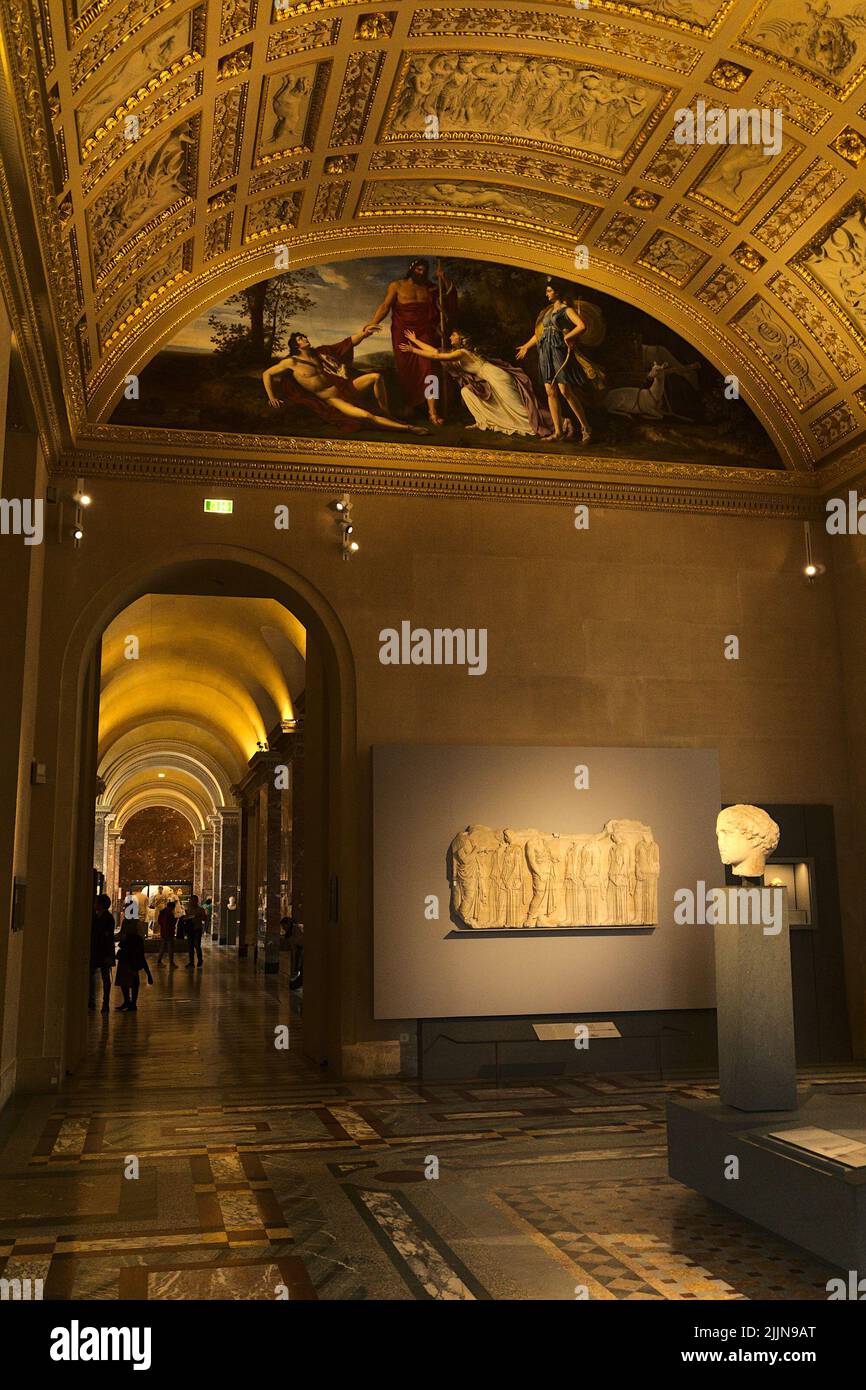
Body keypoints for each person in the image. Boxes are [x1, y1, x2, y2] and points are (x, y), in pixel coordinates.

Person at [262, 328, 428, 434]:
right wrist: (271, 397)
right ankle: (409, 429)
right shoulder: (291, 362)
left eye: (304, 337)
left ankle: (386, 412)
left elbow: (345, 344)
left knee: (376, 377)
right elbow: (267, 374)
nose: (305, 339)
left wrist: (364, 333)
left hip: (343, 386)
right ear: (295, 345)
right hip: (332, 398)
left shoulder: (320, 353)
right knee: (366, 415)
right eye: (300, 339)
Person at [399, 328, 559, 438]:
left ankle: (559, 423)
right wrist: (415, 340)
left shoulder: (461, 352)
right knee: (467, 391)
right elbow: (435, 351)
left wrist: (413, 350)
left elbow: (437, 357)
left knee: (520, 409)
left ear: (460, 338)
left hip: (497, 377)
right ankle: (483, 421)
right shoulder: (458, 352)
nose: (450, 337)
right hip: (490, 378)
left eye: (453, 335)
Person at [364, 259, 457, 424]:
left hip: (425, 332)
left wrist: (443, 278)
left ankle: (433, 412)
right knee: (406, 371)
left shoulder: (431, 288)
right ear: (412, 269)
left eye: (424, 270)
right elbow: (385, 306)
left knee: (430, 370)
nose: (421, 273)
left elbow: (450, 295)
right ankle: (409, 405)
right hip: (403, 332)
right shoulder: (397, 286)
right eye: (418, 269)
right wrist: (373, 322)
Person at [516, 279, 602, 443]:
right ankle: (558, 432)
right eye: (547, 291)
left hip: (558, 351)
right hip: (545, 352)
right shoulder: (548, 313)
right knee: (550, 391)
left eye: (549, 291)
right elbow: (540, 333)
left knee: (565, 391)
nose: (546, 293)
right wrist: (526, 346)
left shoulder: (566, 310)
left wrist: (568, 336)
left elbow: (581, 326)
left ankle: (586, 428)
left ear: (557, 292)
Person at [89, 893, 116, 1013]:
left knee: (105, 976)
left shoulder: (108, 918)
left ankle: (105, 1002)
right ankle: (92, 999)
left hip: (104, 950)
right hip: (96, 949)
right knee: (94, 975)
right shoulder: (95, 917)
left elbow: (106, 936)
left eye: (96, 902)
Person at [115, 927, 153, 1011]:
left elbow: (140, 955)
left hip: (128, 962)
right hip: (129, 962)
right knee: (130, 983)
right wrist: (148, 973)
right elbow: (141, 956)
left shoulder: (129, 938)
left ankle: (129, 1002)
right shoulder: (135, 938)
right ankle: (130, 1003)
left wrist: (148, 974)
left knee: (128, 983)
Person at [184, 893, 208, 969]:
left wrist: (199, 917)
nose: (192, 902)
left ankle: (200, 960)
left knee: (197, 945)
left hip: (197, 928)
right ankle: (191, 962)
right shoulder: (188, 909)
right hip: (190, 929)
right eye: (191, 900)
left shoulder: (201, 909)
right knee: (190, 946)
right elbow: (185, 918)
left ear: (197, 901)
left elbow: (205, 919)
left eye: (194, 900)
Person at [157, 898, 177, 967]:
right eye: (173, 908)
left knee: (163, 947)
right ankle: (171, 963)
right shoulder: (169, 913)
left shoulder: (162, 912)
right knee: (170, 947)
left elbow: (159, 922)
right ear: (171, 907)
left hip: (164, 932)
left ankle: (159, 961)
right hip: (168, 932)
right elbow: (168, 923)